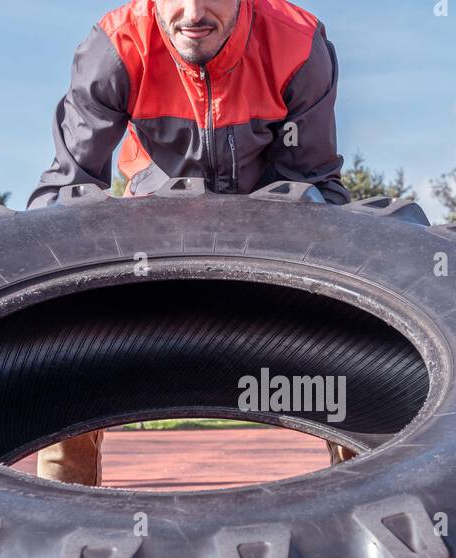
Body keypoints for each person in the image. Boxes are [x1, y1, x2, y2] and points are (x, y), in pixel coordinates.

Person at [27, 0, 349, 485]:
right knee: (61, 326)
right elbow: (67, 192)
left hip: (270, 242)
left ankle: (371, 484)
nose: (193, 11)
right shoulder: (114, 48)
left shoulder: (298, 45)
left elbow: (312, 188)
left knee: (358, 325)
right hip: (150, 247)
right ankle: (58, 505)